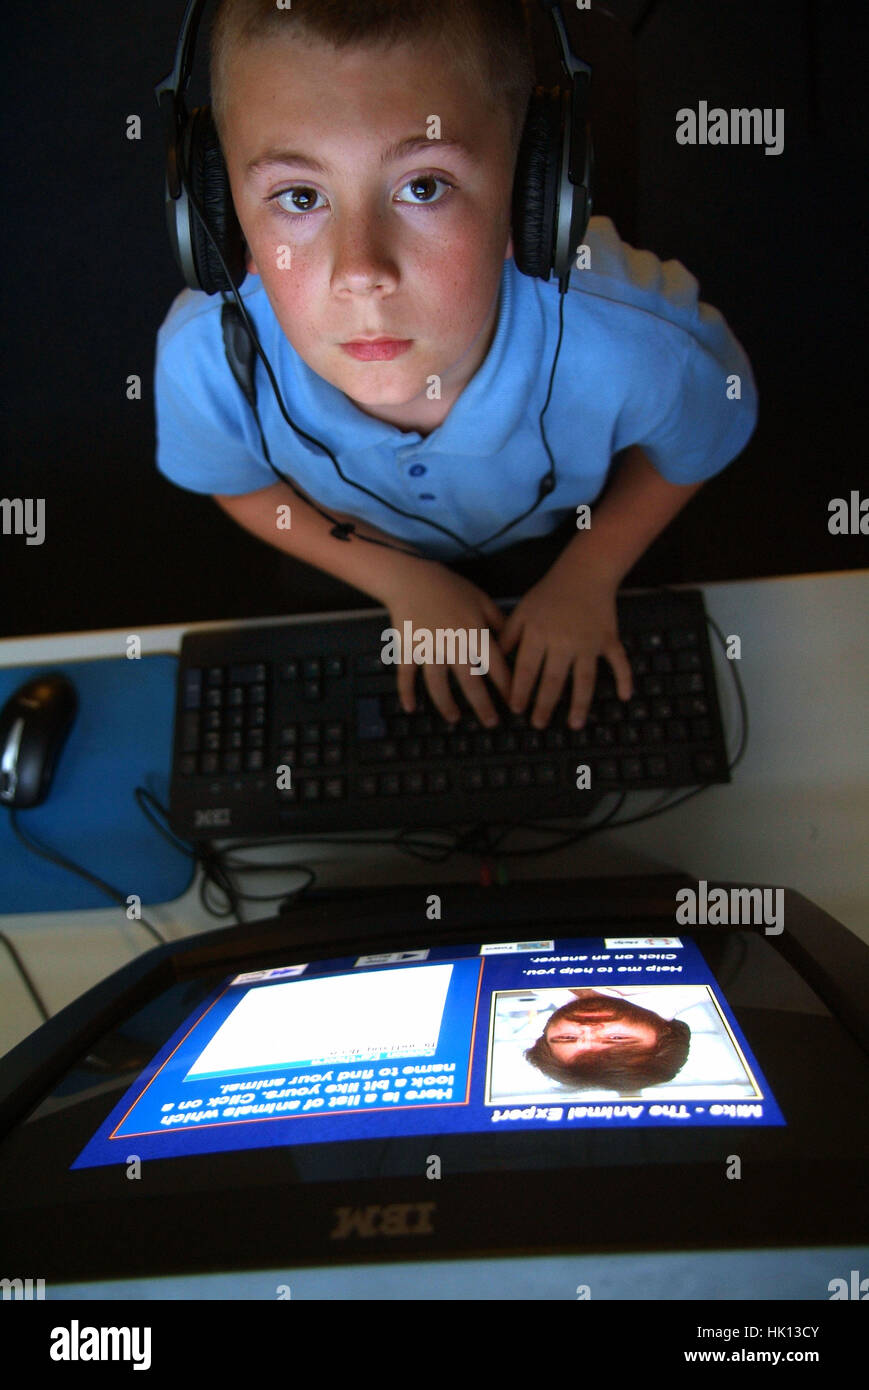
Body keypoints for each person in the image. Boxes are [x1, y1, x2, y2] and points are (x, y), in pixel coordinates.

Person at [155, 0, 758, 731]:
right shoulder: (208, 359)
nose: (361, 272)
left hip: (563, 543)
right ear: (217, 222)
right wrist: (399, 582)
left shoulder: (633, 340)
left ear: (534, 193)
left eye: (424, 186)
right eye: (299, 196)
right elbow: (240, 482)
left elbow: (702, 437)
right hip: (349, 553)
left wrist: (589, 574)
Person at [523, 987, 691, 1091]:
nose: (587, 1029)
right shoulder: (689, 985)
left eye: (568, 1037)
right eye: (616, 1038)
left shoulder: (535, 984)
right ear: (666, 1034)